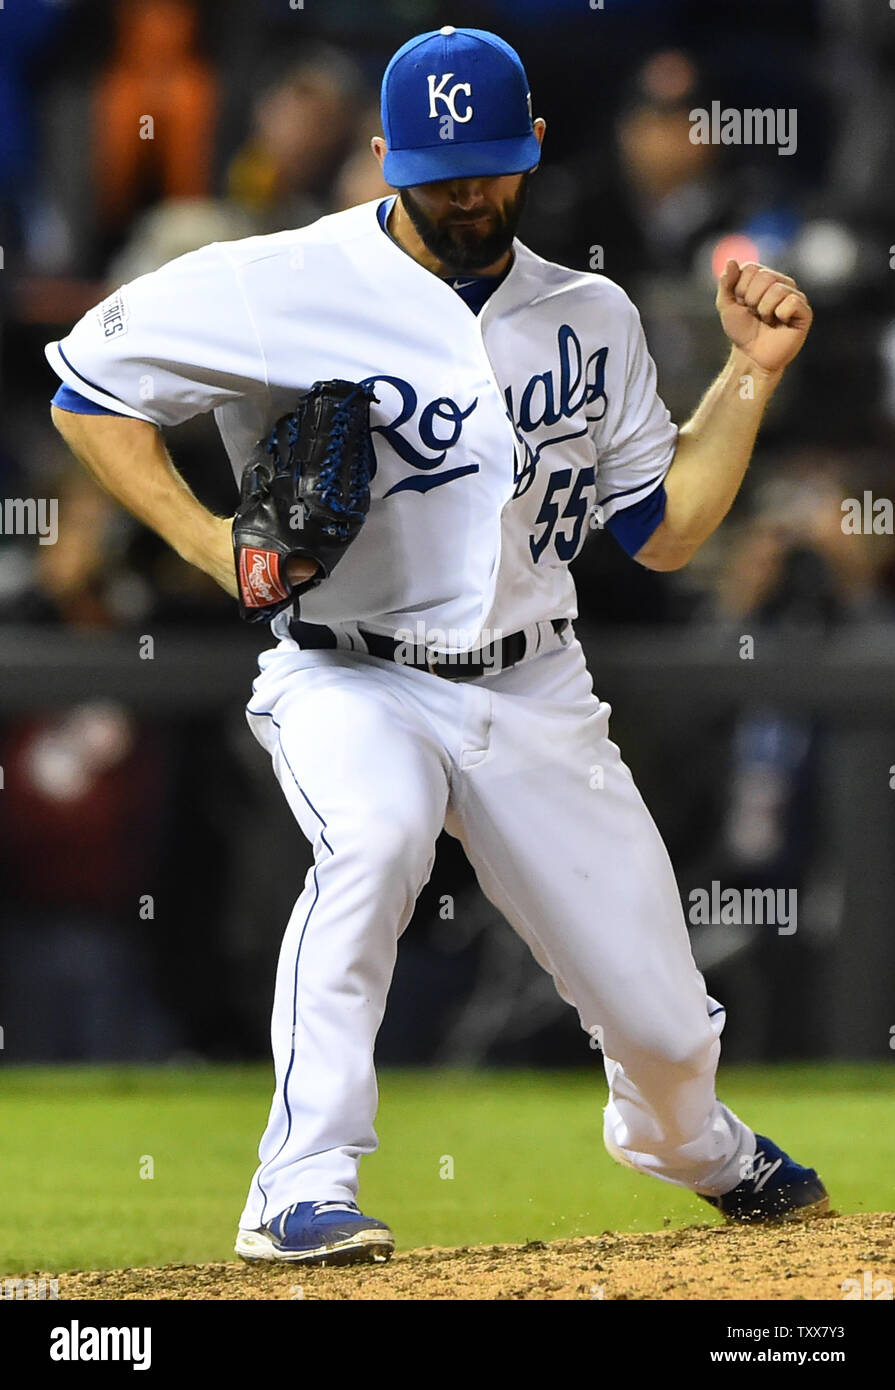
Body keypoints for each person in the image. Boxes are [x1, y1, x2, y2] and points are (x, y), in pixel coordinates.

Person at [46, 26, 826, 1267]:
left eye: (489, 167)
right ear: (385, 157)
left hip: (534, 688)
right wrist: (206, 545)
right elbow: (87, 388)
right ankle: (298, 1185)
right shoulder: (274, 281)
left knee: (668, 1030)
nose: (467, 193)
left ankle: (694, 1145)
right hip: (347, 671)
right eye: (439, 170)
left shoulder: (591, 311)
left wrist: (745, 374)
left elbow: (665, 531)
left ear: (531, 153)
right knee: (372, 842)